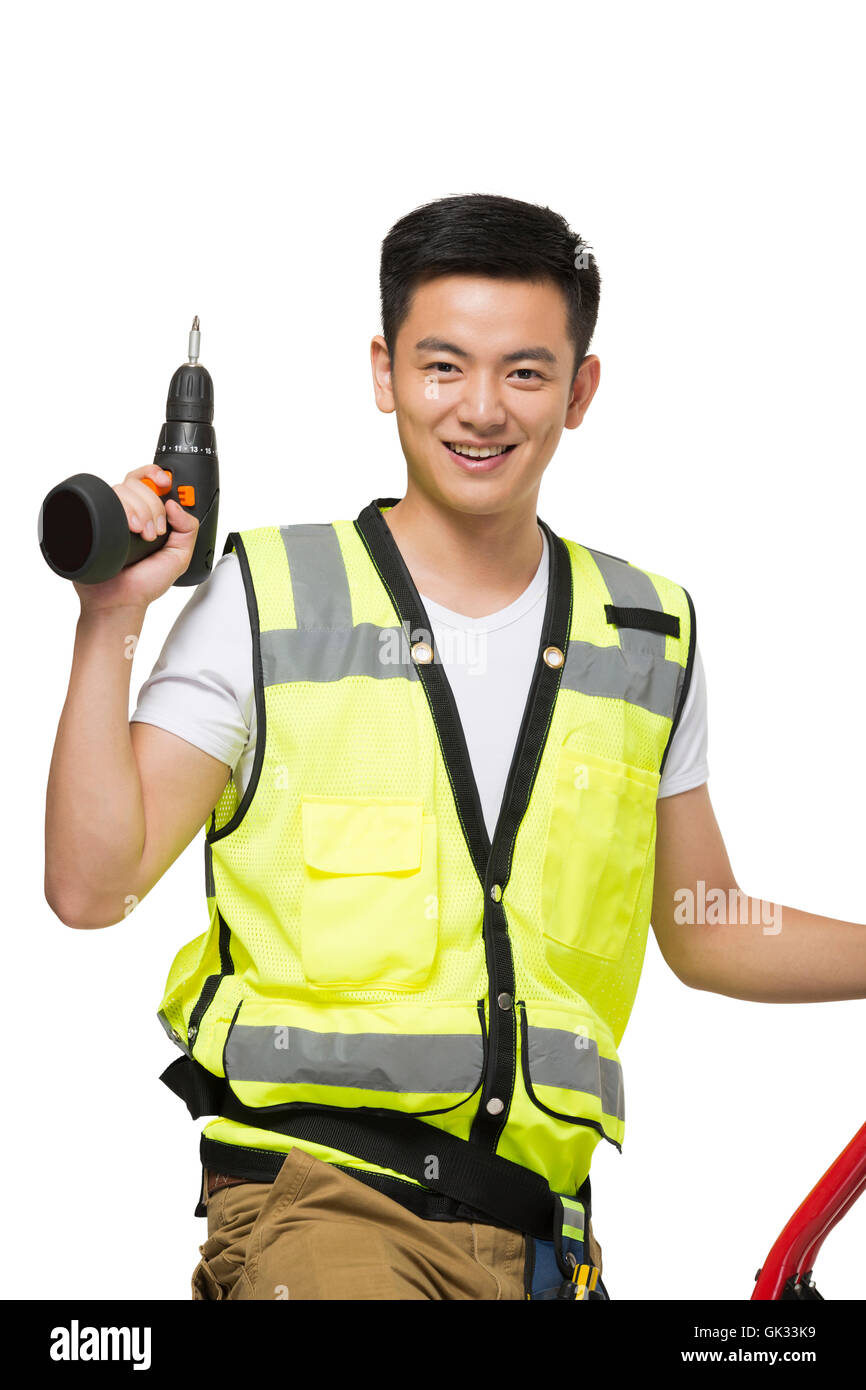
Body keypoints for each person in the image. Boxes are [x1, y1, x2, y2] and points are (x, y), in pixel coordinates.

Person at [44, 193, 866, 1302]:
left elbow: (701, 926)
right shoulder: (272, 599)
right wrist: (110, 622)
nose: (479, 408)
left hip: (546, 1245)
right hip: (327, 1208)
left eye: (524, 373)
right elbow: (92, 887)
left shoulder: (643, 631)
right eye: (442, 367)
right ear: (384, 372)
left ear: (578, 390)